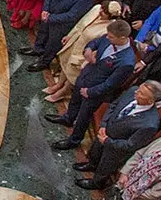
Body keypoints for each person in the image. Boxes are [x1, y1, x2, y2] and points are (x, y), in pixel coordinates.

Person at [46, 18, 135, 149]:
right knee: (74, 101)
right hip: (85, 76)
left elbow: (111, 84)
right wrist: (88, 49)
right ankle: (68, 118)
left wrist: (90, 92)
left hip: (95, 91)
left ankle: (74, 140)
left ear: (122, 38)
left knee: (83, 117)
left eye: (111, 37)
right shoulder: (108, 36)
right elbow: (95, 42)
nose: (108, 37)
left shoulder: (127, 61)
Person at [75, 80, 161, 187]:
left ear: (150, 101)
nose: (136, 92)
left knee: (105, 166)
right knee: (96, 152)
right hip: (106, 131)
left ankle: (96, 183)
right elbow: (114, 105)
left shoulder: (149, 124)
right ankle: (91, 164)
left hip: (116, 148)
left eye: (141, 94)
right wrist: (103, 124)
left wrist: (107, 141)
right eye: (138, 89)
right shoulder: (133, 91)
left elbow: (130, 145)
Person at [22, 0, 98, 71]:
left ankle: (44, 61)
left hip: (60, 24)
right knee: (43, 33)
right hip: (49, 12)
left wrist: (51, 18)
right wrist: (46, 8)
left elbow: (72, 15)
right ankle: (37, 49)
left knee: (52, 44)